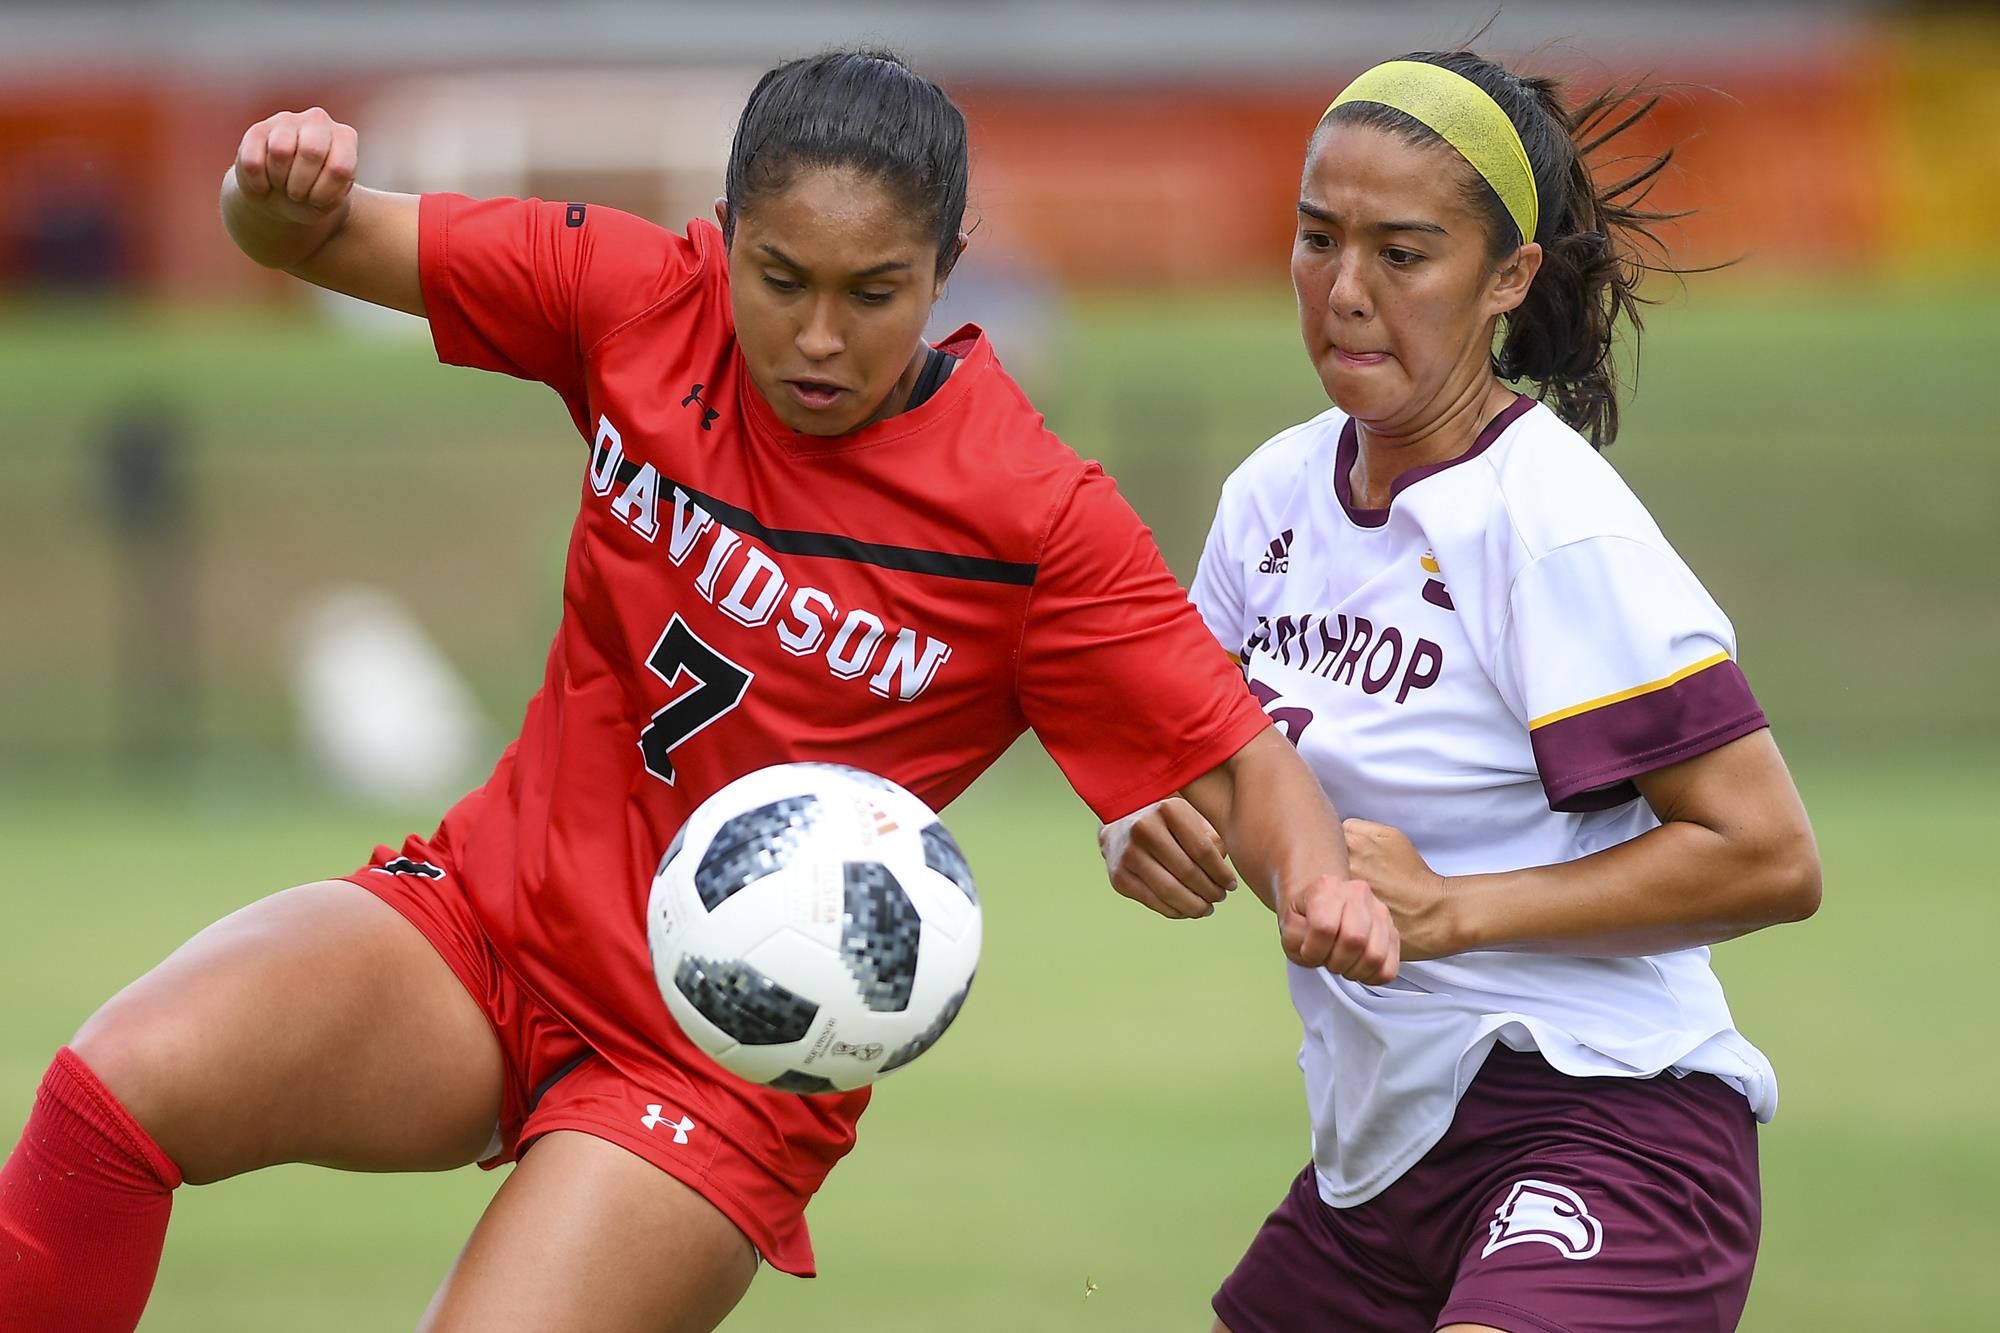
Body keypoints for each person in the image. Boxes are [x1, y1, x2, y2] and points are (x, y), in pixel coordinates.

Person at [0, 50, 1401, 1333]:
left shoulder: (1034, 516)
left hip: (714, 1071)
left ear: (949, 269)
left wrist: (1316, 885)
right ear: (722, 236)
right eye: (781, 278)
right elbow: (306, 238)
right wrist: (272, 189)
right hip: (488, 927)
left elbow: (1244, 768)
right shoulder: (637, 300)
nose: (819, 339)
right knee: (112, 1097)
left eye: (876, 293)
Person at [1098, 50, 1823, 1333]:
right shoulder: (1273, 492)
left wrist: (1455, 911)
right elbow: (1201, 746)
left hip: (1609, 1117)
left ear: (1507, 279)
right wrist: (1146, 810)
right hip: (1386, 1149)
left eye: (1402, 252)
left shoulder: (1545, 523)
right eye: (1316, 239)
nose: (1345, 290)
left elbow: (1768, 856)